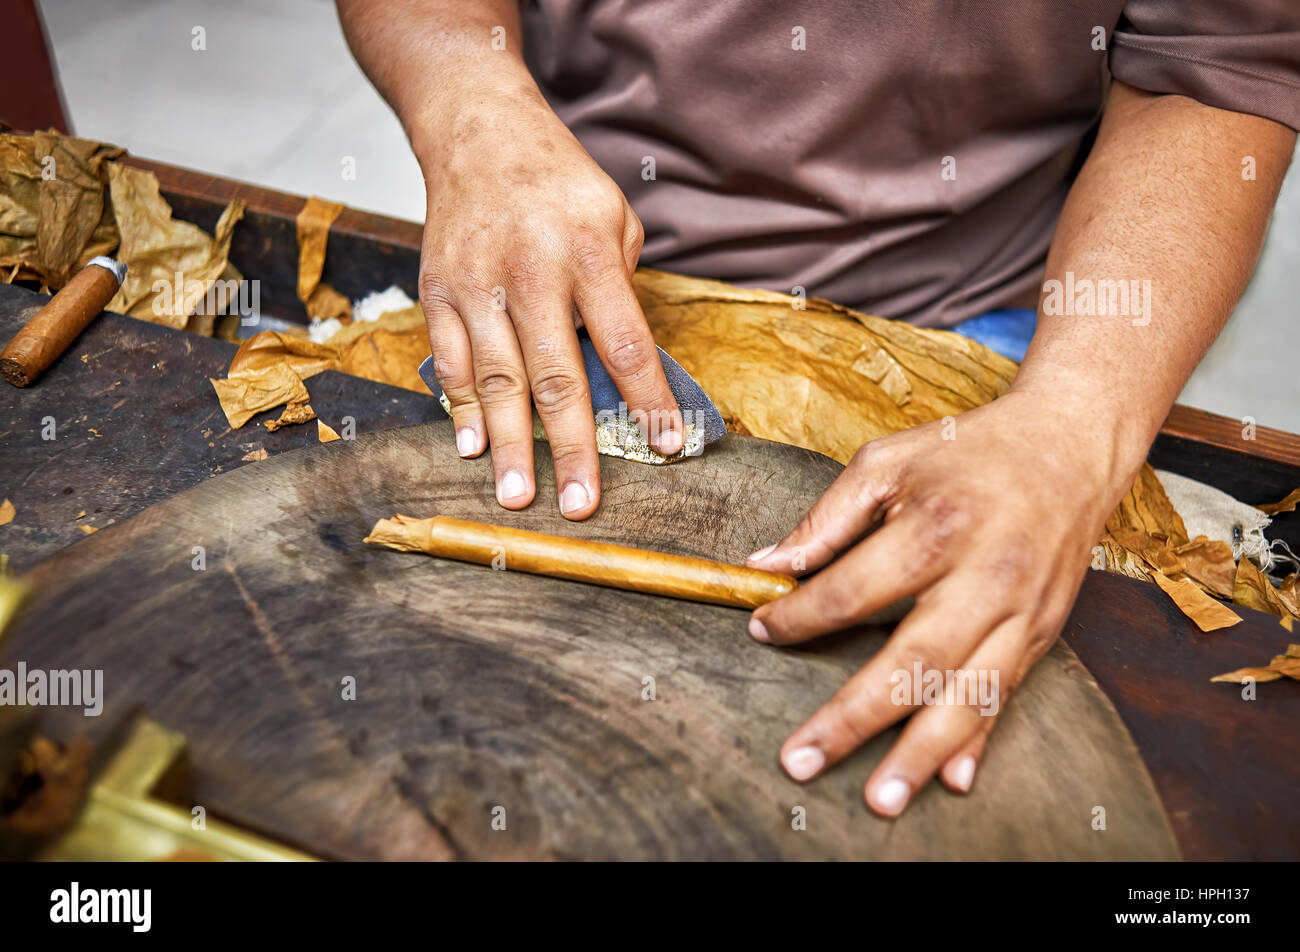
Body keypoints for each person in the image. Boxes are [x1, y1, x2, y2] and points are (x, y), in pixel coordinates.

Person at [337, 0, 1299, 817]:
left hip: (975, 307)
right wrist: (477, 113)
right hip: (577, 255)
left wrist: (1075, 420)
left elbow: (1210, 66)